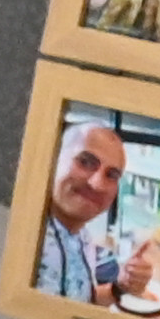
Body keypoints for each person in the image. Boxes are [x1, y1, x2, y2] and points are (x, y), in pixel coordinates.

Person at [35, 119, 127, 306]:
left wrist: (120, 287)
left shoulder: (83, 238)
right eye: (85, 162)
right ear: (53, 159)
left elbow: (80, 301)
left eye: (111, 175)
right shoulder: (23, 239)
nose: (97, 184)